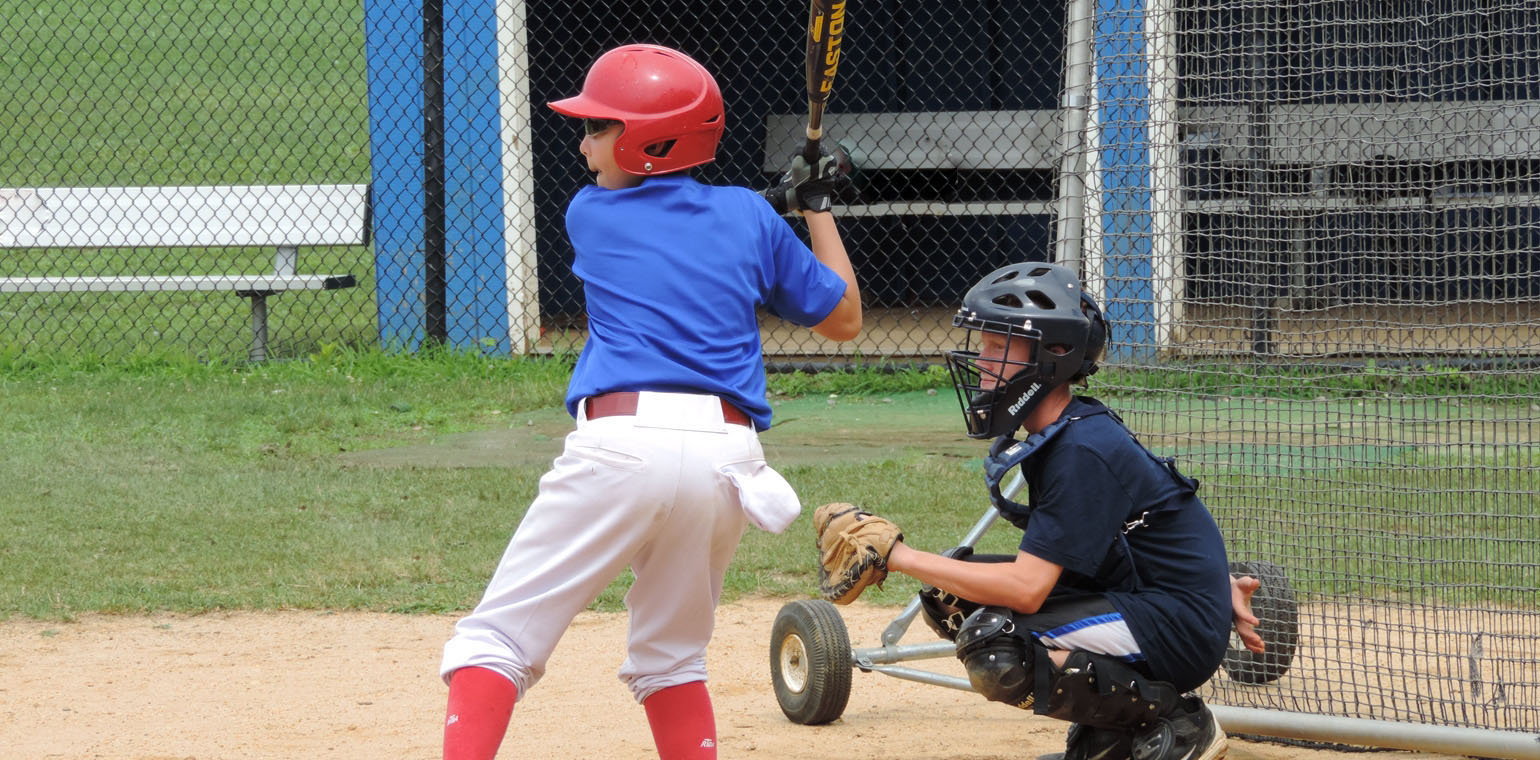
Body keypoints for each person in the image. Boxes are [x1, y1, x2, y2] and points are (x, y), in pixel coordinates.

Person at [438, 43, 861, 760]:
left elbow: (680, 225)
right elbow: (845, 318)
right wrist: (815, 209)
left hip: (623, 448)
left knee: (495, 640)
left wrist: (781, 204)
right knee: (672, 658)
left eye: (598, 127)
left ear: (650, 140)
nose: (583, 144)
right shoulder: (746, 217)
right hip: (727, 463)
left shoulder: (589, 213)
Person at [885, 261, 1250, 760]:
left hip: (1176, 629)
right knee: (949, 593)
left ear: (1052, 354)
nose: (982, 360)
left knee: (996, 646)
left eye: (997, 346)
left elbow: (1027, 589)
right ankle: (1111, 739)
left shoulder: (1081, 447)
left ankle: (1177, 723)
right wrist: (1215, 581)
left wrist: (899, 557)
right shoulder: (1064, 433)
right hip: (1154, 602)